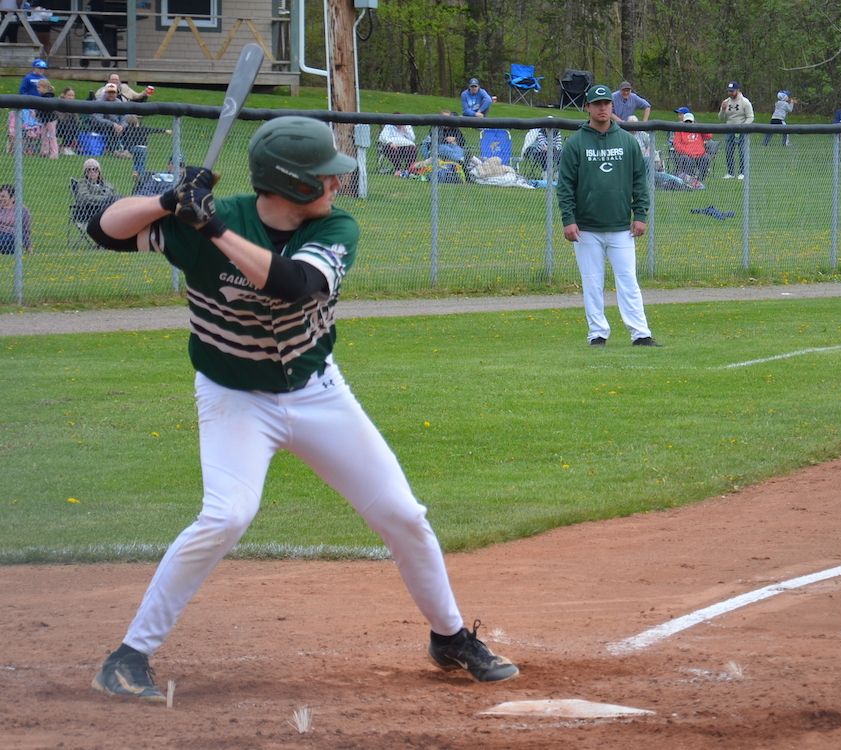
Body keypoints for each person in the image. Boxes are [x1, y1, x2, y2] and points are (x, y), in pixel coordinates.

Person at [86, 115, 519, 703]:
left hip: (318, 392)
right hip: (233, 396)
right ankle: (128, 655)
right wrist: (166, 200)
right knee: (226, 516)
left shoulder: (336, 227)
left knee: (403, 514)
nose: (337, 184)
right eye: (325, 177)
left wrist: (209, 227)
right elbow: (104, 231)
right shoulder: (209, 222)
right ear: (291, 184)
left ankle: (449, 637)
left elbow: (293, 284)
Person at [557, 84, 659, 348]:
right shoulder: (576, 143)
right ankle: (597, 334)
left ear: (612, 107)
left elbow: (640, 181)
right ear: (588, 108)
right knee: (592, 283)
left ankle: (640, 333)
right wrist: (568, 219)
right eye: (597, 104)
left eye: (606, 103)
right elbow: (565, 185)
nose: (602, 108)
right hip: (587, 228)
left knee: (628, 281)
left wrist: (640, 214)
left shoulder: (626, 141)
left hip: (620, 227)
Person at [89, 84, 138, 158]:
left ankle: (128, 150)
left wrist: (121, 126)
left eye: (113, 92)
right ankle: (114, 150)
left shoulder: (119, 102)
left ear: (116, 93)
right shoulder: (99, 102)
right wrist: (113, 124)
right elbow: (97, 119)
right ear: (105, 92)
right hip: (101, 127)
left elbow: (124, 118)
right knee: (111, 128)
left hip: (117, 126)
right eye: (109, 92)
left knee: (130, 129)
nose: (111, 94)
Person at [718, 80, 754, 180]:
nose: (730, 93)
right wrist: (723, 109)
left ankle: (742, 172)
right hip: (729, 129)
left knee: (742, 151)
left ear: (737, 90)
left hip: (742, 130)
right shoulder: (726, 102)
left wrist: (743, 127)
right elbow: (721, 118)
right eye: (729, 91)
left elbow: (750, 117)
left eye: (732, 91)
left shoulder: (745, 102)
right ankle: (730, 172)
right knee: (729, 151)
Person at [71, 158, 119, 224]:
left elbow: (113, 195)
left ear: (99, 171)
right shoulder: (83, 183)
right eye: (89, 170)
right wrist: (104, 199)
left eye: (95, 169)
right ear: (85, 172)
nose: (92, 172)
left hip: (107, 208)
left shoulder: (107, 184)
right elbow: (84, 197)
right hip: (89, 210)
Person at [672, 111, 713, 181]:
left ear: (693, 122)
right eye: (686, 122)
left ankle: (700, 180)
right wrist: (687, 152)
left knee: (706, 158)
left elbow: (709, 136)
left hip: (699, 154)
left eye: (690, 121)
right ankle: (689, 179)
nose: (688, 123)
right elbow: (676, 144)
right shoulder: (679, 131)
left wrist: (700, 127)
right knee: (685, 159)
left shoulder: (698, 128)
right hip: (687, 155)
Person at [0, 183, 31, 255]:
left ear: (12, 198)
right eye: (0, 196)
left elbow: (26, 230)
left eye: (3, 196)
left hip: (12, 237)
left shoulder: (22, 210)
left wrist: (28, 246)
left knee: (10, 239)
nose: (1, 199)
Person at [35, 77, 58, 159]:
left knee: (51, 136)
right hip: (44, 120)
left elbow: (47, 109)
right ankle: (44, 152)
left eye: (39, 87)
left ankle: (54, 154)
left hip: (51, 120)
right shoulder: (41, 97)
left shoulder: (49, 97)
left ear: (44, 87)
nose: (37, 89)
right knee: (44, 136)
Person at [56, 87, 81, 155]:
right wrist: (68, 113)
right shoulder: (59, 102)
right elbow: (60, 118)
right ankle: (64, 147)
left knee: (75, 126)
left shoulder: (73, 105)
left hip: (69, 127)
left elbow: (77, 120)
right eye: (69, 95)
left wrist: (73, 112)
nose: (71, 97)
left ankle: (67, 147)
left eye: (72, 95)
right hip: (58, 126)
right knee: (69, 126)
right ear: (64, 95)